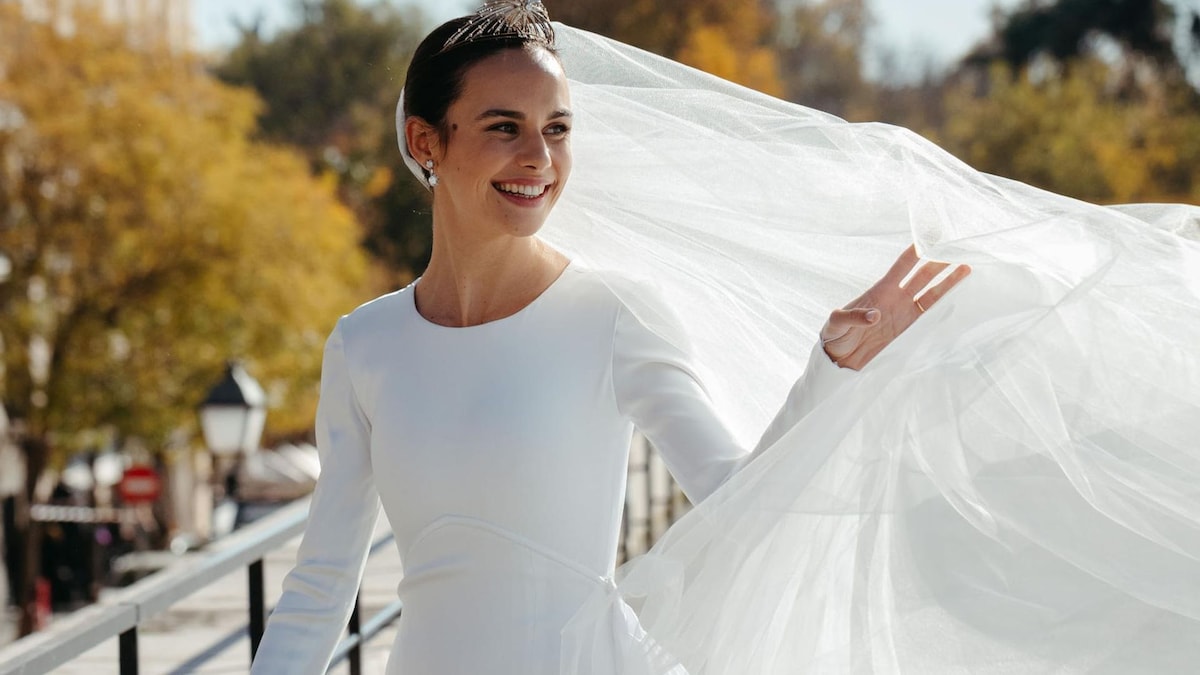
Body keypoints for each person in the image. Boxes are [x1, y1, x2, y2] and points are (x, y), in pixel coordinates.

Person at [254, 2, 1200, 673]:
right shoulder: (366, 345)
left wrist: (828, 371)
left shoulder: (611, 314)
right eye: (505, 127)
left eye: (558, 128)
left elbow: (737, 502)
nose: (539, 157)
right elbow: (319, 588)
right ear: (428, 141)